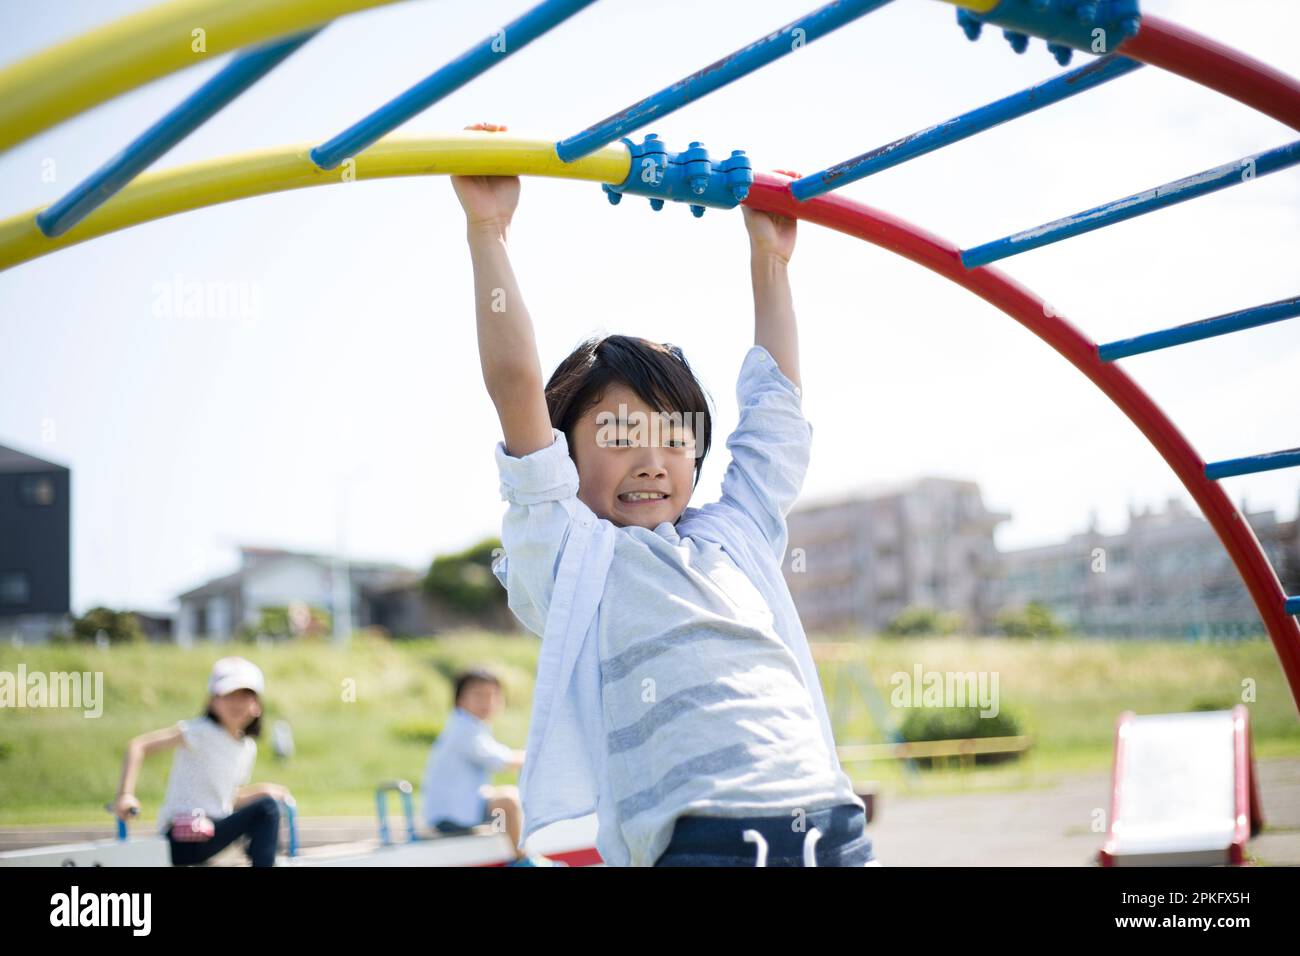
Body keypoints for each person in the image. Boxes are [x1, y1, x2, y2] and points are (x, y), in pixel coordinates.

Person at [452, 123, 879, 867]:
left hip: (827, 824)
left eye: (675, 435)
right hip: (700, 838)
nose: (652, 458)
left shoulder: (734, 535)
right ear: (566, 453)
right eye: (618, 434)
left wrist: (769, 264)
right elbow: (517, 388)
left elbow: (776, 416)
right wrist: (488, 229)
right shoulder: (573, 555)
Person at [112, 656, 291, 867]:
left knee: (266, 810)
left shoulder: (246, 747)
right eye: (228, 695)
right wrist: (125, 795)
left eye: (244, 696)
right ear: (212, 701)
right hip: (183, 836)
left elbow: (228, 798)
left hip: (213, 830)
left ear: (257, 706)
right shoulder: (199, 732)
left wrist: (263, 790)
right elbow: (138, 746)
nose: (236, 703)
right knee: (266, 809)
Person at [422, 667, 563, 866]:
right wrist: (537, 757)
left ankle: (518, 848)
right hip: (452, 815)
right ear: (460, 700)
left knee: (504, 799)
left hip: (458, 808)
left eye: (493, 696)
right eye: (479, 696)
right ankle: (521, 860)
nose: (487, 702)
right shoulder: (463, 731)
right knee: (508, 800)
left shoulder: (471, 727)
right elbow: (501, 760)